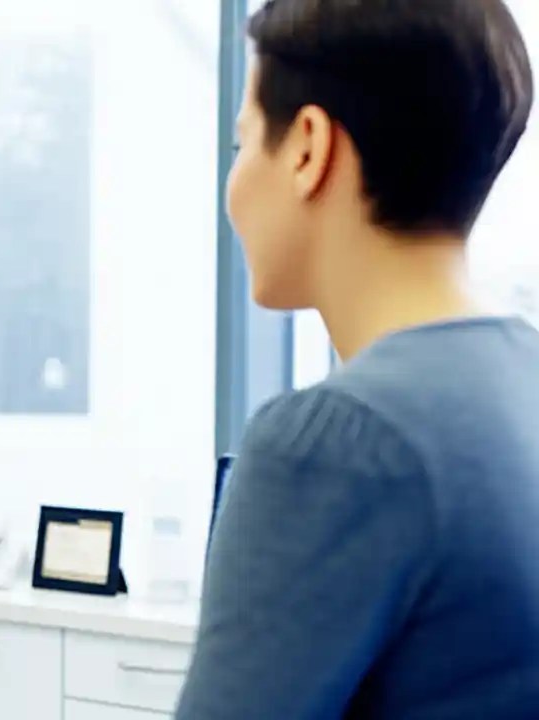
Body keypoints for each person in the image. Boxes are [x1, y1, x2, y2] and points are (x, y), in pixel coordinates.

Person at [177, 1, 536, 718]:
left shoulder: (340, 443)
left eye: (241, 143)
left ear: (308, 148)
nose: (235, 187)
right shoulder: (522, 380)